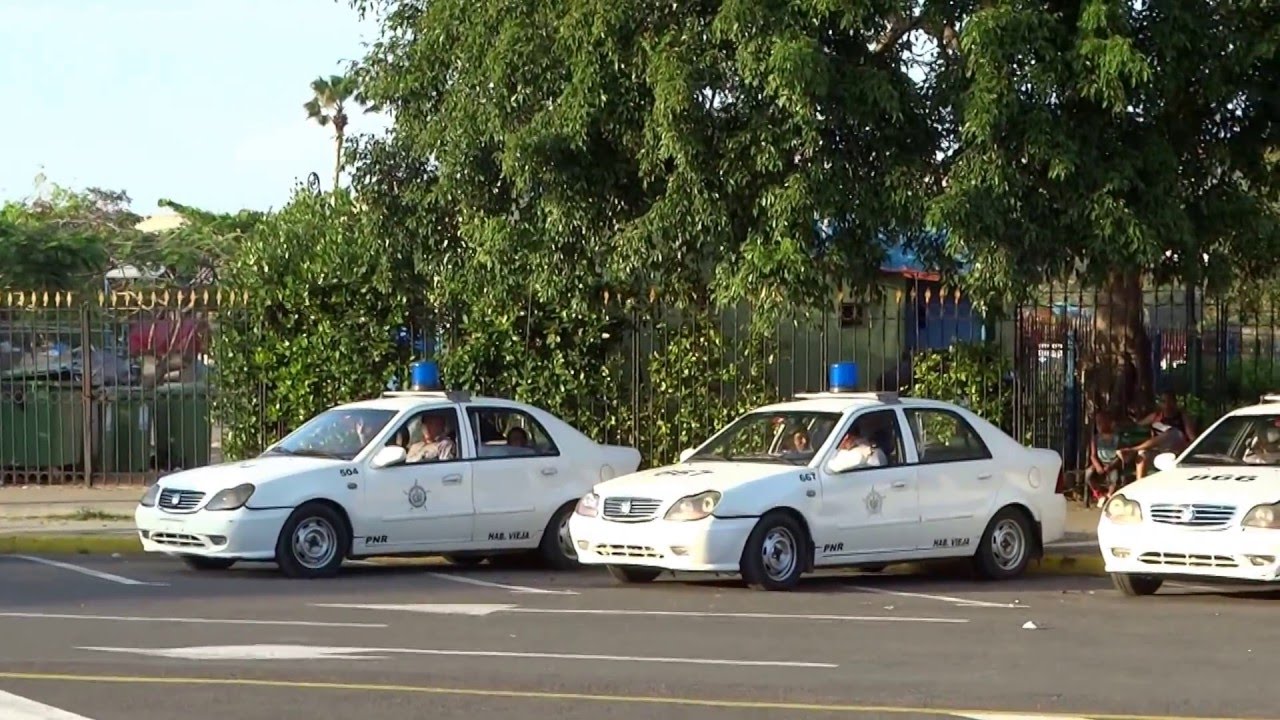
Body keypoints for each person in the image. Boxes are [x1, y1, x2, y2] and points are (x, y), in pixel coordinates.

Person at [1123, 391, 1196, 479]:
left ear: (1175, 403)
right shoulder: (1156, 416)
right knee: (1142, 454)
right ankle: (1139, 482)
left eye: (1170, 401)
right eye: (1164, 402)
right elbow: (1138, 425)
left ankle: (1134, 449)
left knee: (1171, 432)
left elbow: (1192, 438)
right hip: (1159, 450)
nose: (1167, 405)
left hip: (1176, 448)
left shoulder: (1182, 416)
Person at [1085, 411, 1126, 506]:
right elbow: (1093, 455)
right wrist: (1097, 465)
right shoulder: (1095, 438)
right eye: (1097, 423)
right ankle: (1099, 494)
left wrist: (1111, 466)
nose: (1099, 426)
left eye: (1101, 423)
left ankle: (1109, 495)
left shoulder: (1117, 438)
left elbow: (1119, 456)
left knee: (1114, 478)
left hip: (1112, 463)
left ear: (1111, 423)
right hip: (1100, 462)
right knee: (1088, 474)